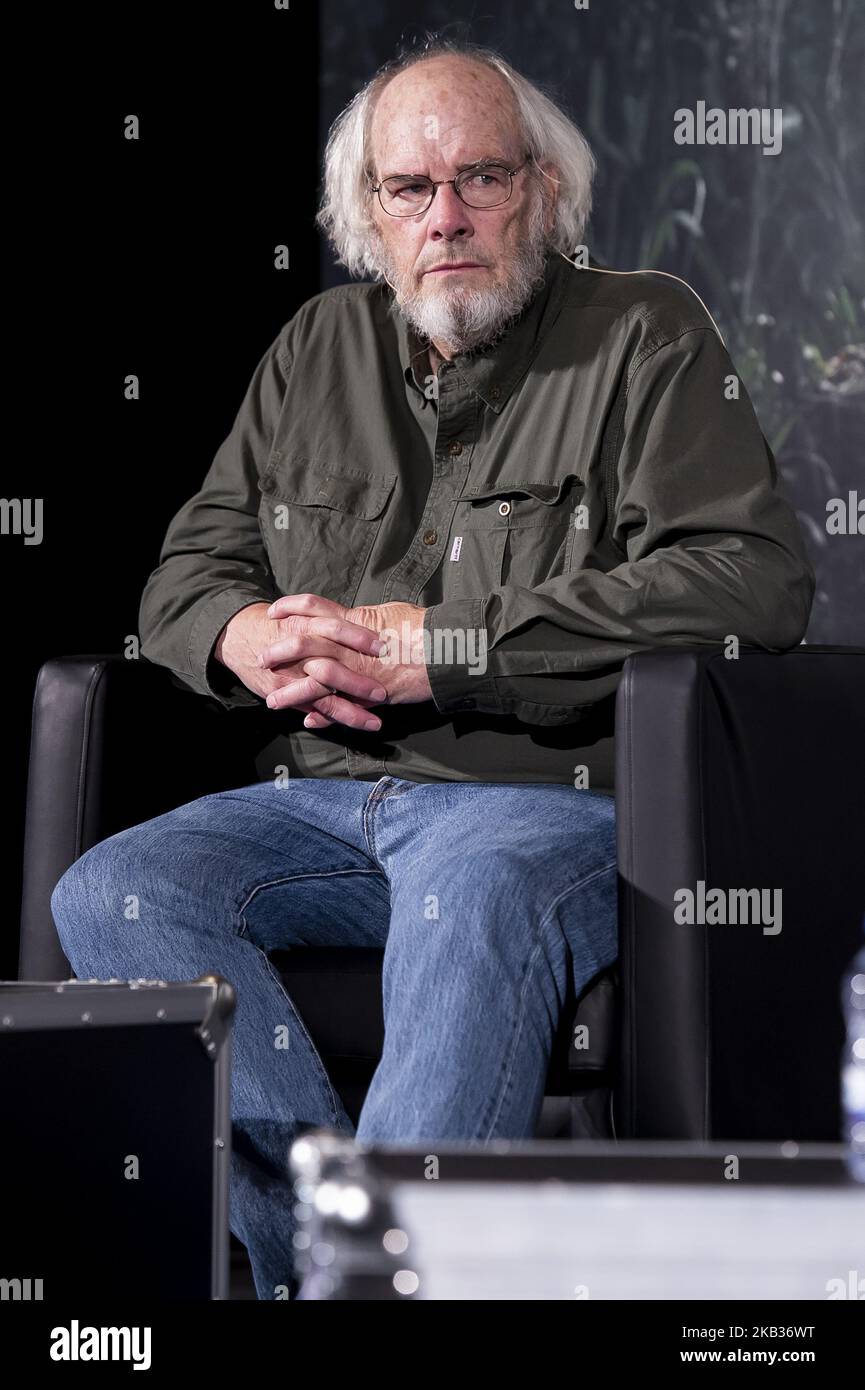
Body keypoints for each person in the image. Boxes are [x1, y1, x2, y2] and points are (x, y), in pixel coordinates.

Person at [50, 36, 815, 1299]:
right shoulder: (314, 349)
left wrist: (450, 652)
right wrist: (240, 637)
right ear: (367, 215)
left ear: (547, 193)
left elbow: (751, 579)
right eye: (410, 189)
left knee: (472, 904)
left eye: (482, 179)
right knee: (115, 889)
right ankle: (340, 1273)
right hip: (318, 801)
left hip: (541, 801)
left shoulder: (645, 333)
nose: (445, 216)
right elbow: (184, 578)